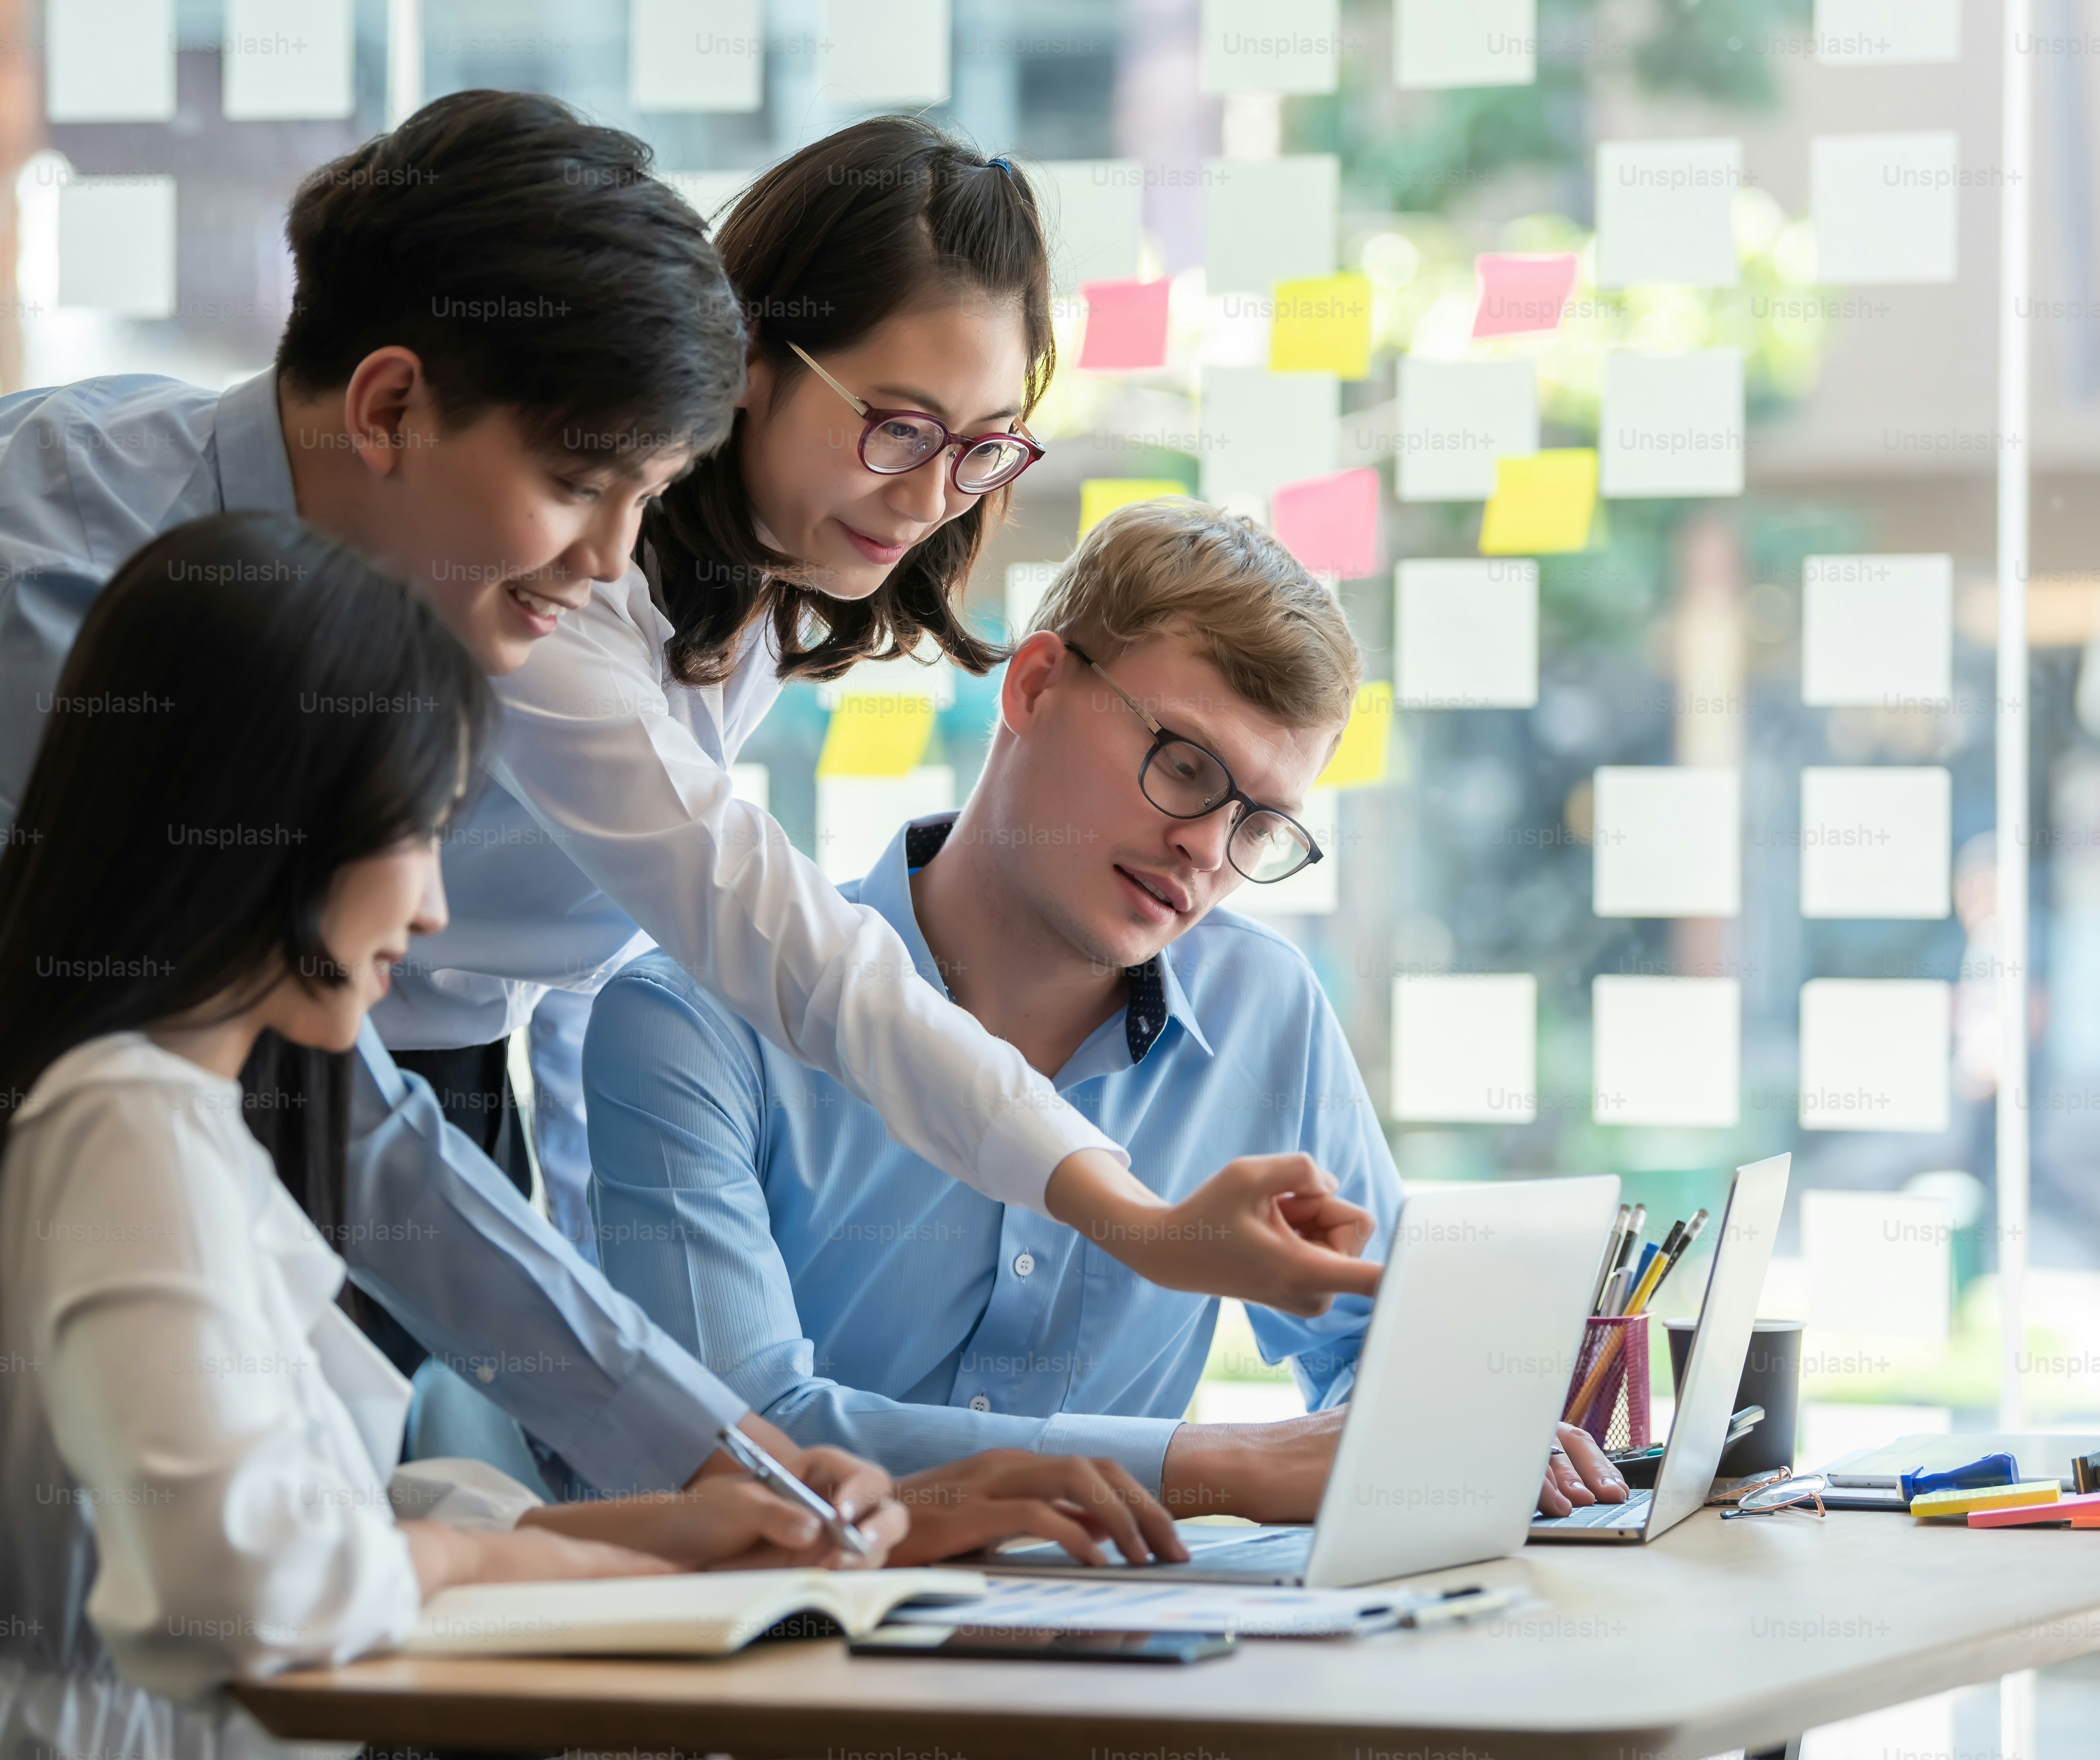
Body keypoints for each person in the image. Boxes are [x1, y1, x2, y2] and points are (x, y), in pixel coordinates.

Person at [0, 92, 1364, 1469]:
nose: (609, 568)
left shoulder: (231, 515)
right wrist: (745, 1445)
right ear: (386, 409)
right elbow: (349, 1112)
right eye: (586, 492)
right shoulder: (73, 592)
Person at [0, 516, 909, 1760]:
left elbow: (317, 1529)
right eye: (419, 830)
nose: (431, 909)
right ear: (274, 819)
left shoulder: (110, 1101)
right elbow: (256, 1591)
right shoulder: (124, 1125)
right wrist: (486, 1552)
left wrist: (670, 1533)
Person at [386, 112, 1379, 1313]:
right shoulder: (563, 592)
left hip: (456, 1076)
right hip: (333, 1053)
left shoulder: (754, 595)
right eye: (897, 426)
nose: (926, 497)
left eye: (981, 448)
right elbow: (763, 930)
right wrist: (1133, 1220)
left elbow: (592, 945)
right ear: (748, 357)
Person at [586, 502, 1631, 1522]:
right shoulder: (691, 1021)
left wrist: (1452, 1429)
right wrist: (1220, 1467)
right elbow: (734, 1440)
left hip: (1149, 1667)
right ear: (1034, 687)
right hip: (792, 1664)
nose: (1208, 850)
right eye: (1184, 766)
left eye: (1259, 825)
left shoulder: (1262, 1009)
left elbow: (1381, 1352)